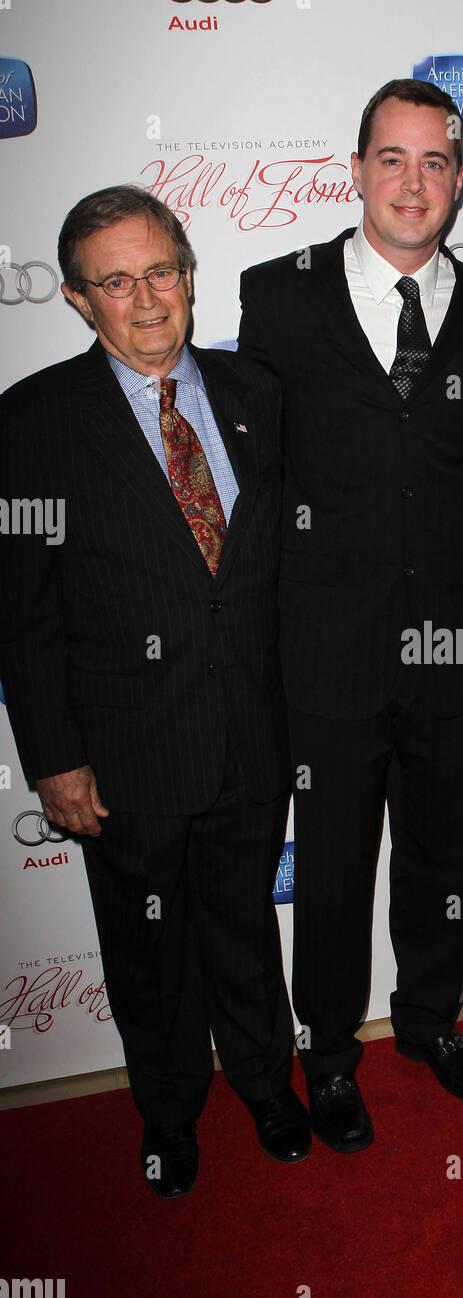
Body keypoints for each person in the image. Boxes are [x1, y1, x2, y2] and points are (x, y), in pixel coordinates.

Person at [0, 186, 309, 1197]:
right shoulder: (35, 420)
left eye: (160, 271)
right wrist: (52, 754)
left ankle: (268, 1085)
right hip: (125, 753)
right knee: (146, 950)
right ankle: (168, 1113)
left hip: (252, 737)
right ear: (80, 300)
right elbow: (23, 608)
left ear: (189, 272)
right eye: (116, 281)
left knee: (244, 930)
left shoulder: (253, 391)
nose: (145, 299)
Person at [237, 79, 463, 1153]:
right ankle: (330, 1054)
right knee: (336, 864)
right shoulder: (278, 295)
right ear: (355, 171)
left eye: (435, 161)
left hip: (451, 646)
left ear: (458, 181)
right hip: (328, 650)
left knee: (443, 853)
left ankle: (431, 1022)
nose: (412, 181)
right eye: (390, 159)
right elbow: (255, 488)